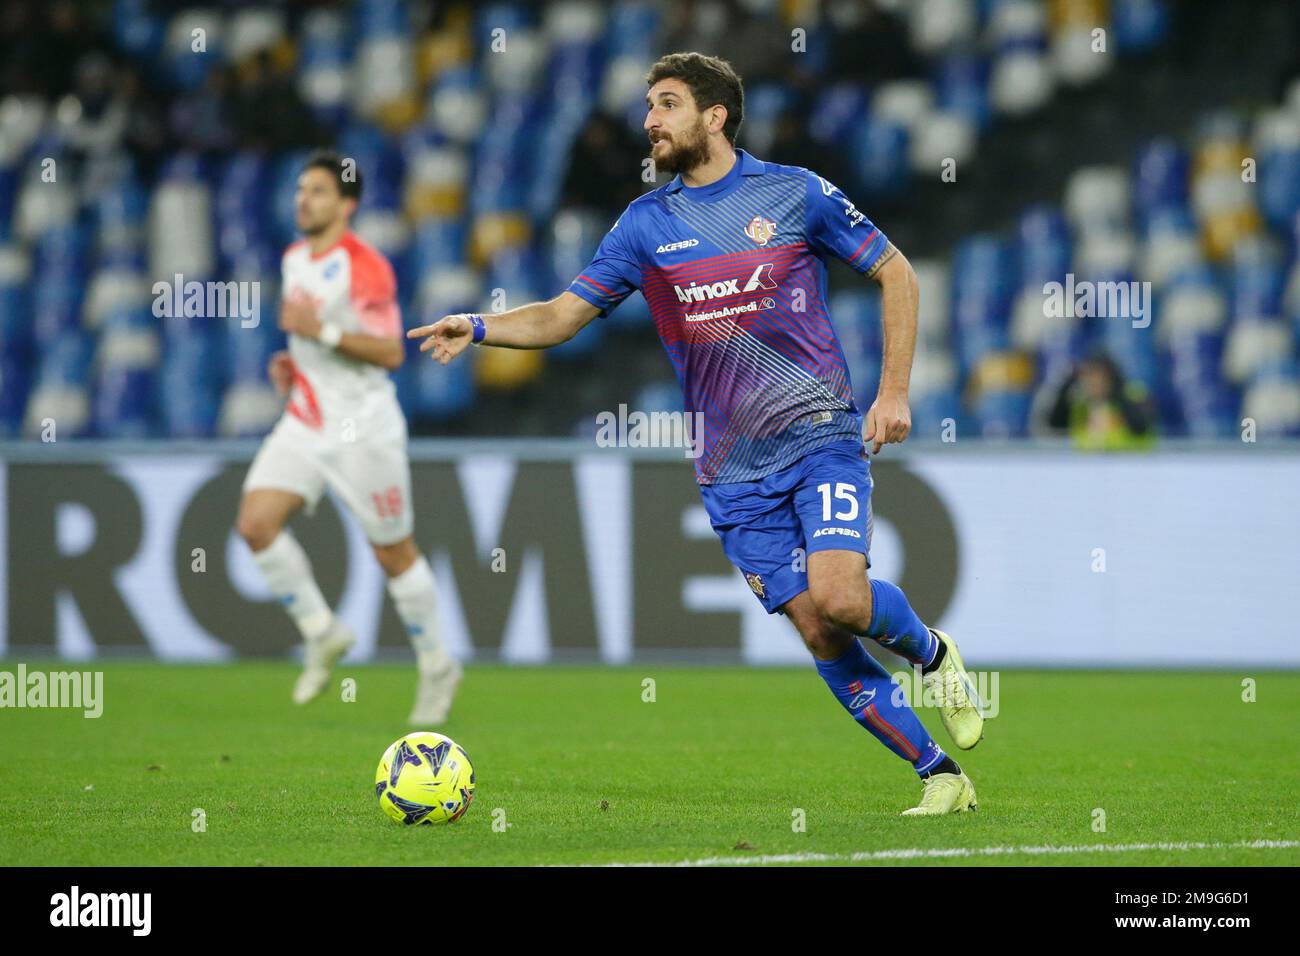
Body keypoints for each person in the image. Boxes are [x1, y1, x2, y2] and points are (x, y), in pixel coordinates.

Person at [409, 53, 984, 815]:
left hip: (819, 437)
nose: (650, 120)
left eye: (668, 104)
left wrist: (896, 391)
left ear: (714, 117)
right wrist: (479, 325)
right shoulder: (647, 224)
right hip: (731, 470)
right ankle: (940, 774)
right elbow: (562, 315)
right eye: (649, 105)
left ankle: (935, 654)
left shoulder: (794, 194)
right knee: (818, 629)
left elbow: (897, 273)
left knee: (840, 595)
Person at [236, 150, 461, 724]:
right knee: (255, 524)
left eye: (315, 191)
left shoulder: (366, 266)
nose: (302, 201)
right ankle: (322, 630)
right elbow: (313, 342)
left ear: (346, 204)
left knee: (392, 552)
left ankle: (437, 664)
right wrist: (293, 361)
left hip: (363, 428)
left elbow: (389, 351)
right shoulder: (293, 259)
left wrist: (322, 330)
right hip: (307, 416)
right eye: (299, 190)